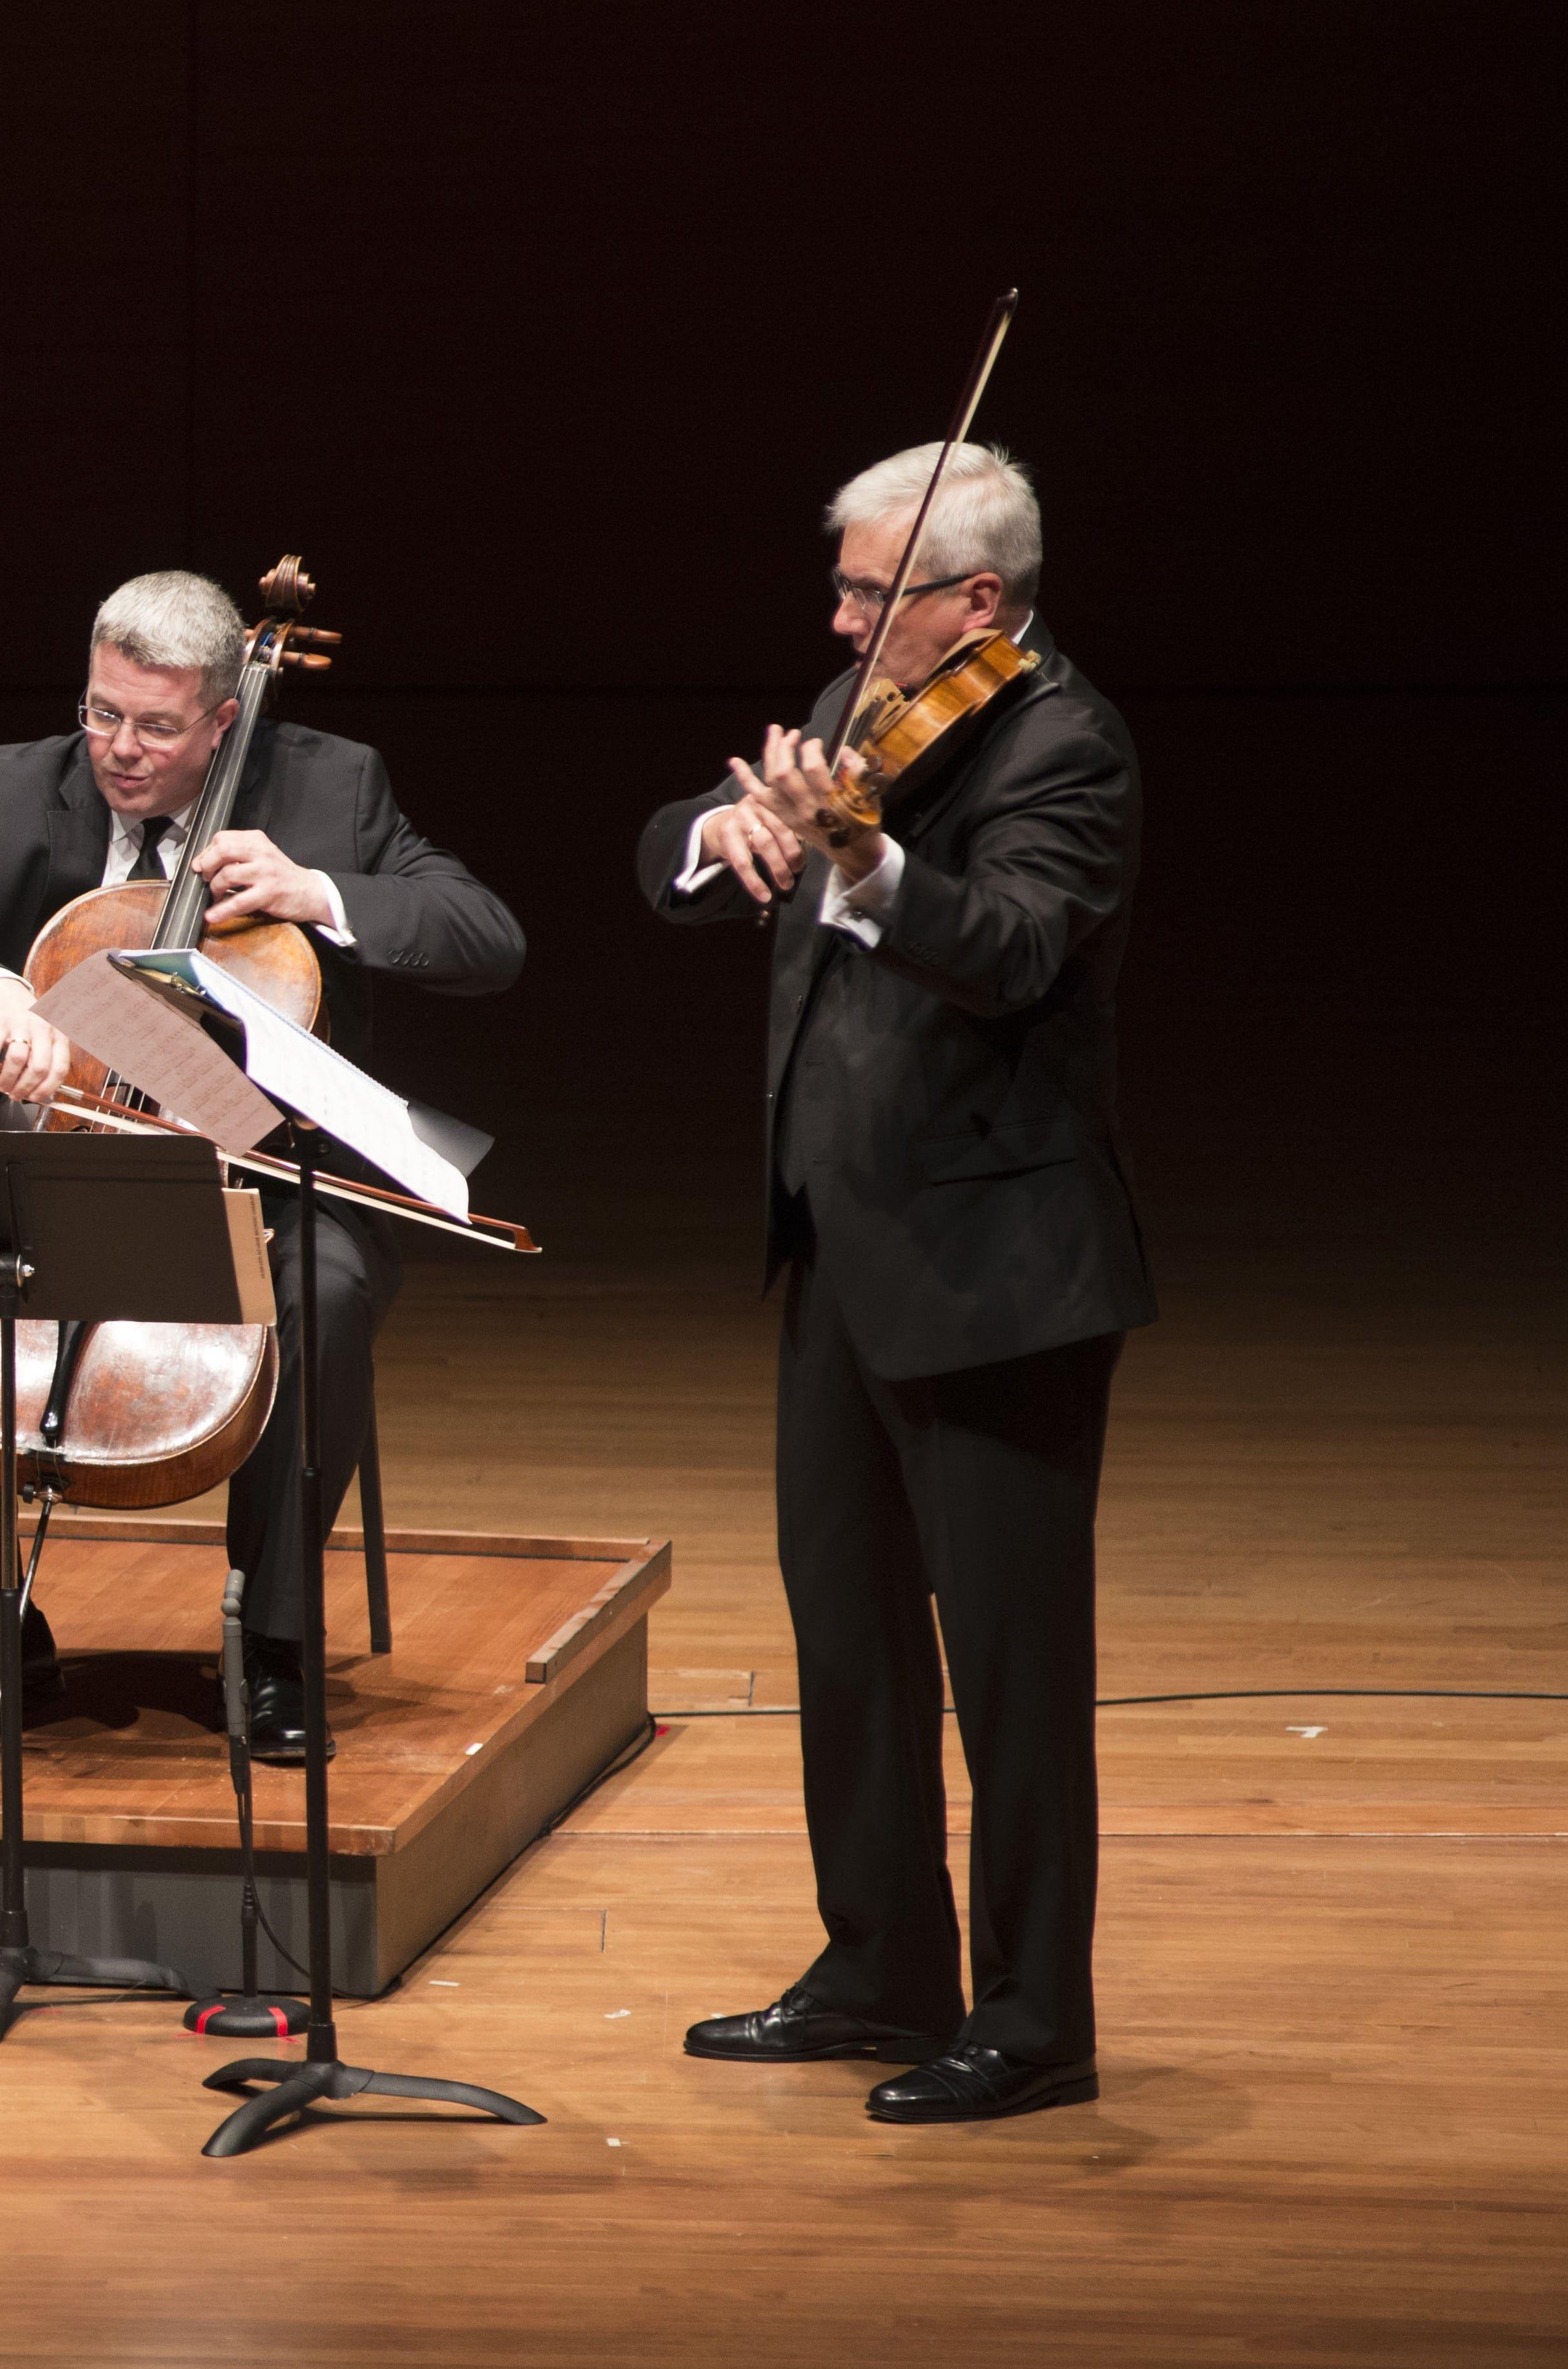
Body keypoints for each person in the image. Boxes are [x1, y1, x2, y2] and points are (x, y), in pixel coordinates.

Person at [641, 441, 1150, 2125]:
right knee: (849, 1640)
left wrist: (861, 861)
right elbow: (669, 857)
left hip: (999, 1277)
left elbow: (1008, 948)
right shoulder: (856, 708)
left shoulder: (1065, 743)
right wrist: (724, 832)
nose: (842, 619)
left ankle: (1033, 2017)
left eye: (872, 591)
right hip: (841, 1251)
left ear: (976, 600)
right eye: (846, 586)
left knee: (1011, 1669)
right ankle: (879, 1967)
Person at [0, 570, 524, 1759]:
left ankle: (274, 1644)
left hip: (258, 1172)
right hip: (48, 1153)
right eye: (102, 712)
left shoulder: (330, 787)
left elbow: (488, 936)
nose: (119, 749)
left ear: (223, 717)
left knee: (323, 1292)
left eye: (156, 727)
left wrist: (321, 893)